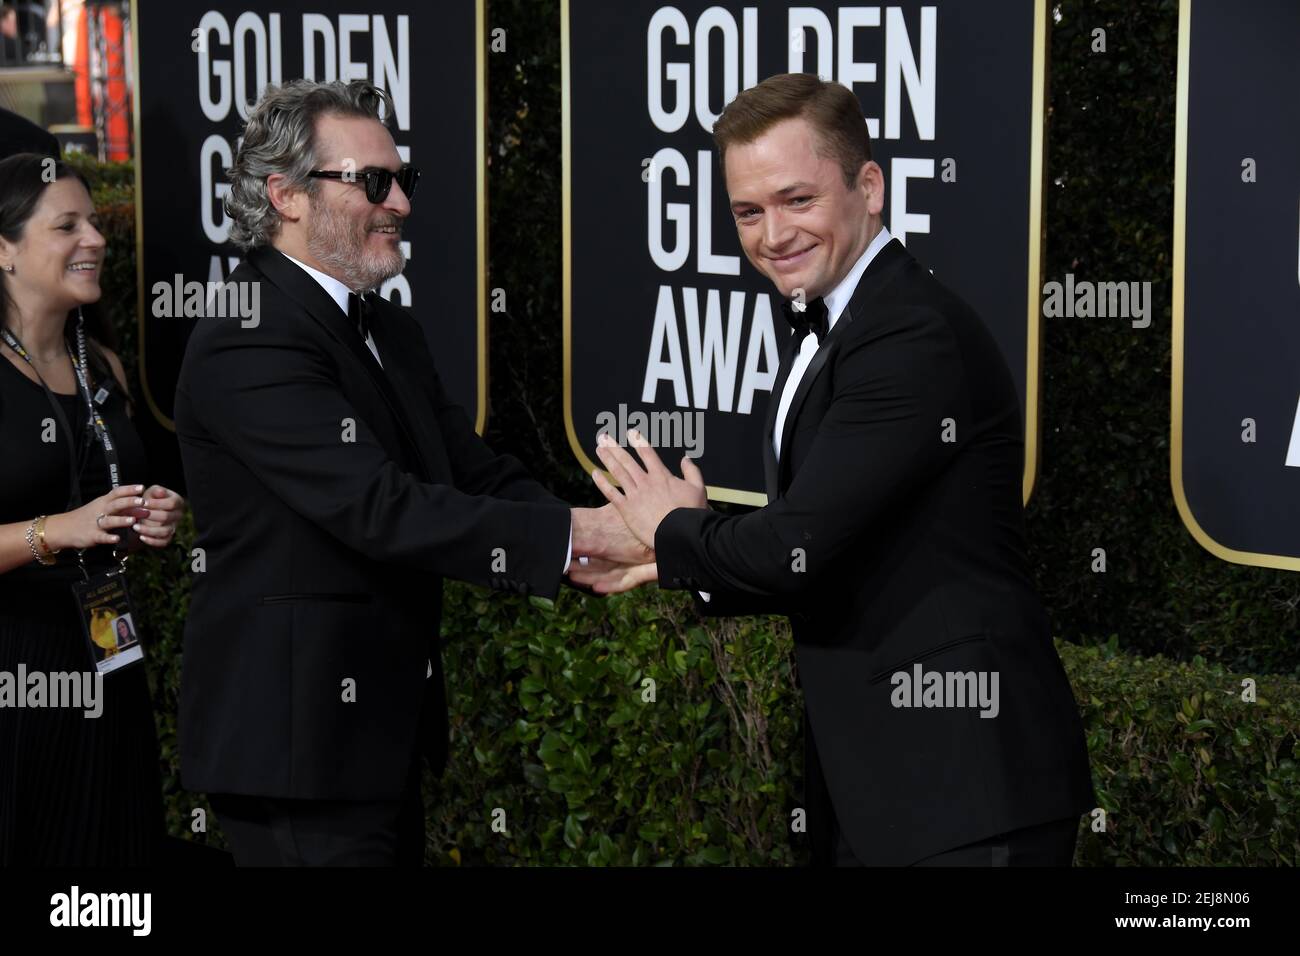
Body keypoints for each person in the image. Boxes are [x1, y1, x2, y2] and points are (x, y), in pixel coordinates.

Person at [573, 73, 1095, 866]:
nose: (772, 234)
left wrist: (675, 529)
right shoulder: (841, 319)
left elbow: (798, 548)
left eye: (798, 200)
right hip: (890, 790)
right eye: (748, 211)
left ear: (870, 186)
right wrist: (673, 550)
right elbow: (830, 543)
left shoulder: (907, 338)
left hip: (966, 793)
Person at [173, 79, 637, 866]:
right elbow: (381, 508)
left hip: (371, 740)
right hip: (296, 748)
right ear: (285, 195)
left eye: (404, 182)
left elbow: (471, 472)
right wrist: (575, 536)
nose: (402, 205)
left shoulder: (387, 325)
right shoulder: (246, 336)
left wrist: (610, 538)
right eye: (374, 183)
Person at [0, 152, 186, 865]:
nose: (96, 240)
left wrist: (138, 523)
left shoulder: (100, 365)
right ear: (5, 248)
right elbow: (63, 524)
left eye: (95, 223)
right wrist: (57, 532)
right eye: (66, 225)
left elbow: (100, 511)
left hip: (110, 655)